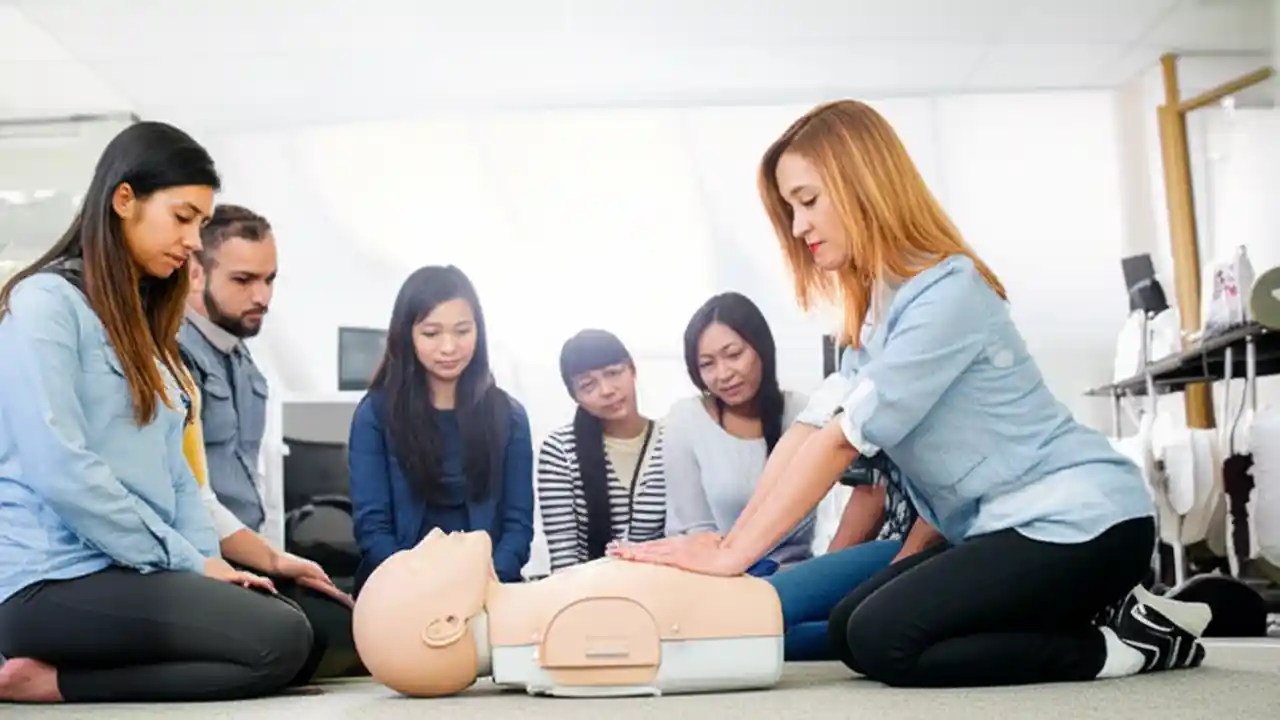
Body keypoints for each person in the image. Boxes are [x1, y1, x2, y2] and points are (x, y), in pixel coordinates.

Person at [612, 100, 1211, 688]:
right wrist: (730, 539)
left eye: (809, 202)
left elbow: (840, 444)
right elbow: (807, 434)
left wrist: (731, 555)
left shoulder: (949, 293)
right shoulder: (876, 315)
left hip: (1083, 523)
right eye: (792, 210)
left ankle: (1121, 645)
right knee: (851, 629)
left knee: (884, 640)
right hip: (1000, 530)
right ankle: (1097, 612)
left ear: (862, 184)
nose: (799, 228)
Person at [0, 121, 313, 703]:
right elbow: (61, 469)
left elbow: (178, 481)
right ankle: (49, 684)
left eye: (200, 222)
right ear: (125, 200)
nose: (195, 239)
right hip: (52, 579)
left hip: (135, 570)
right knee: (280, 639)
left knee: (314, 622)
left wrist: (216, 565)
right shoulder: (43, 305)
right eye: (183, 216)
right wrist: (189, 563)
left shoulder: (143, 329)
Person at [179, 204, 360, 679]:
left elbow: (255, 485)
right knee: (299, 641)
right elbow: (180, 496)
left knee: (359, 629)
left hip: (253, 557)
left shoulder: (244, 363)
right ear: (196, 273)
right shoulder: (169, 357)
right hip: (203, 563)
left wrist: (278, 560)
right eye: (243, 280)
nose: (262, 295)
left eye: (270, 279)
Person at [348, 265, 534, 593]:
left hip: (487, 589)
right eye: (431, 334)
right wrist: (423, 589)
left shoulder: (510, 417)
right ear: (407, 335)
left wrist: (487, 581)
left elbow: (517, 528)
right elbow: (373, 529)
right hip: (400, 590)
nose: (449, 347)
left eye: (462, 331)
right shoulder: (376, 415)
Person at [661, 292, 811, 568]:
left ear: (761, 348)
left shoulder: (805, 414)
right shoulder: (686, 420)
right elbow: (698, 534)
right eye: (707, 364)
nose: (723, 373)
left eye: (733, 355)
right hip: (713, 573)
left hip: (798, 574)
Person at [537, 330, 666, 573]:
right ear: (575, 396)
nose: (606, 390)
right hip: (588, 595)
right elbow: (565, 559)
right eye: (588, 385)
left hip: (663, 590)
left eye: (613, 373)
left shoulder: (672, 440)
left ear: (632, 369)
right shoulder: (560, 450)